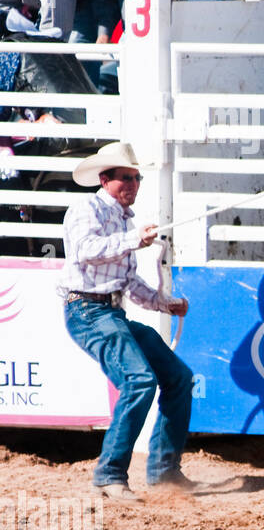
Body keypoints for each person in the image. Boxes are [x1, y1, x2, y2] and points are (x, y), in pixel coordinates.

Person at [57, 141, 195, 502]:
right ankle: (109, 474)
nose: (132, 185)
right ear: (104, 180)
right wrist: (132, 240)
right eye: (124, 178)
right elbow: (86, 251)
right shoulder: (86, 209)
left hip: (109, 313)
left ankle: (164, 472)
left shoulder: (124, 220)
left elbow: (129, 283)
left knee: (178, 377)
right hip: (87, 311)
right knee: (139, 379)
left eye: (136, 178)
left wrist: (166, 304)